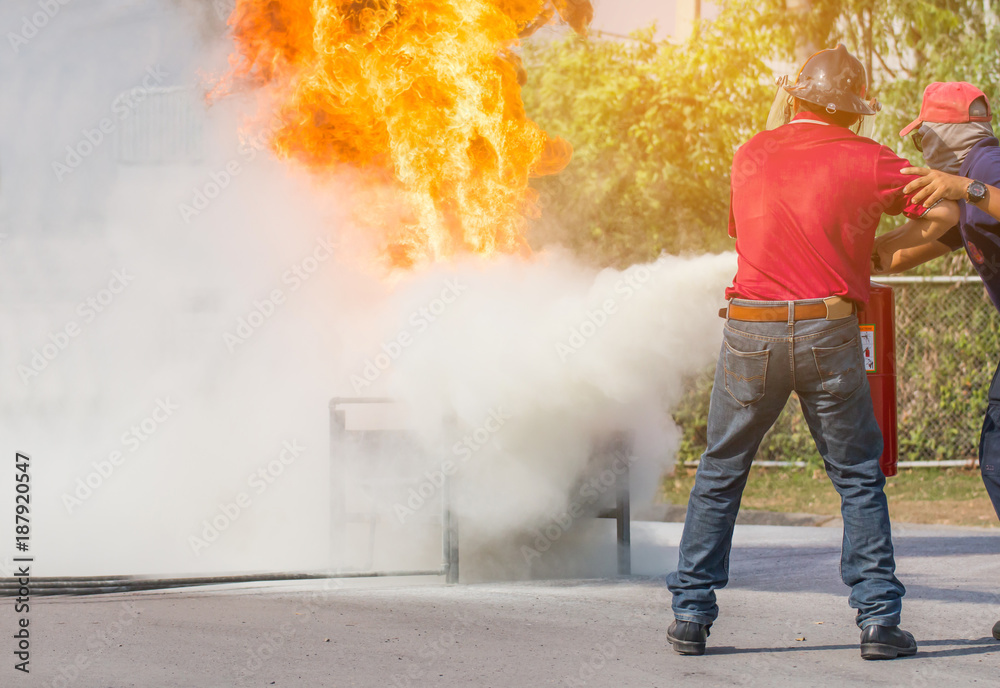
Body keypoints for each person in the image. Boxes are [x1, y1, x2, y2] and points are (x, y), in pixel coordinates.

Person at [665, 44, 960, 660]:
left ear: (796, 97)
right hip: (829, 330)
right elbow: (947, 213)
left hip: (751, 331)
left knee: (720, 472)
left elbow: (754, 228)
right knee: (856, 476)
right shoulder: (872, 159)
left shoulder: (749, 154)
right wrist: (883, 249)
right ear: (854, 111)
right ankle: (878, 621)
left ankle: (690, 614)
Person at [873, 81, 1000, 642]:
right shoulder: (969, 196)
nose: (921, 148)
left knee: (997, 459)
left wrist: (963, 185)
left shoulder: (985, 165)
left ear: (946, 133)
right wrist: (836, 250)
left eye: (922, 136)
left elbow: (978, 192)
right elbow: (898, 252)